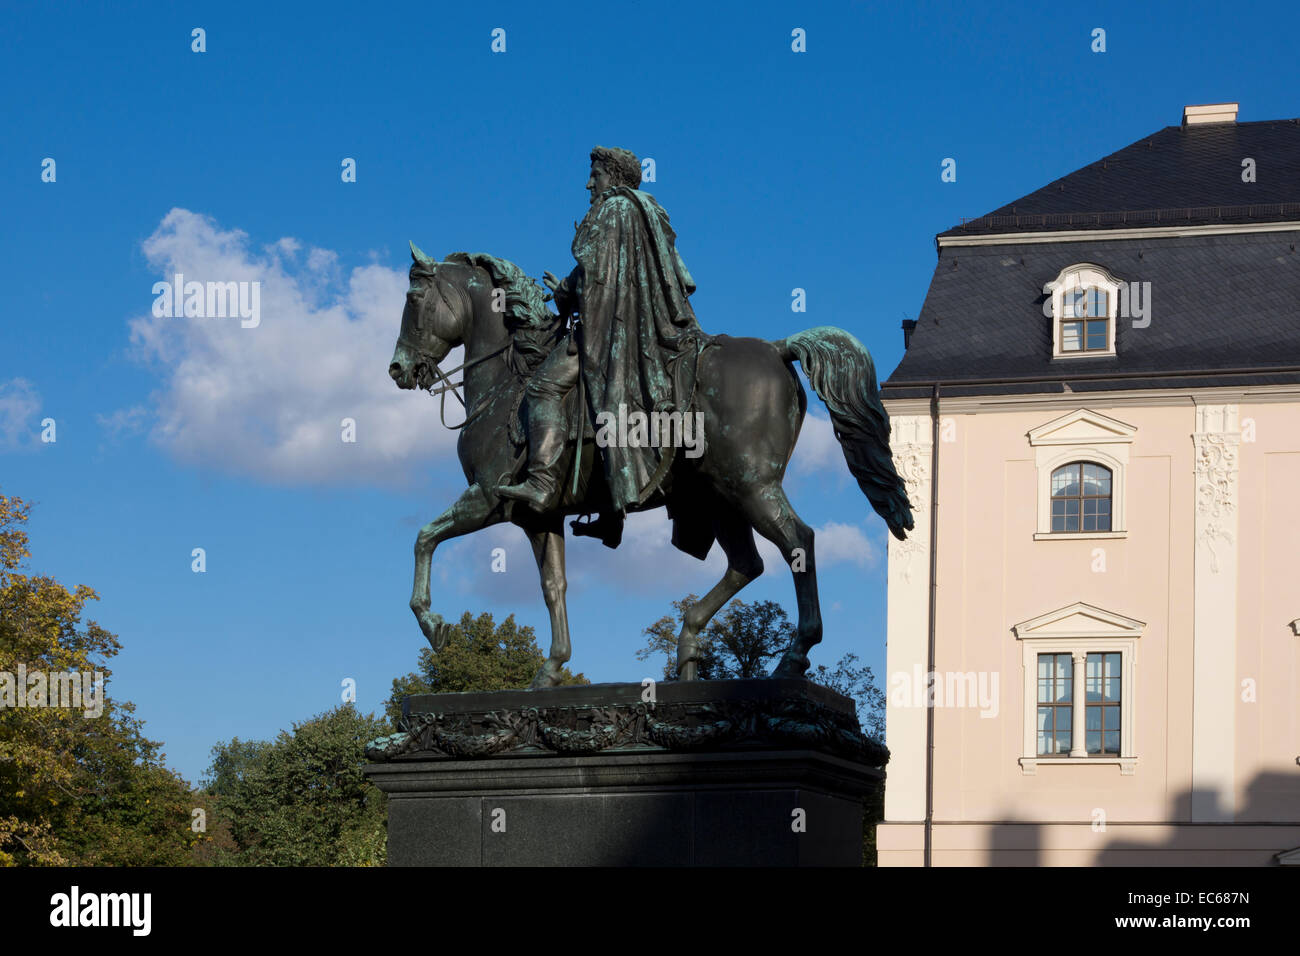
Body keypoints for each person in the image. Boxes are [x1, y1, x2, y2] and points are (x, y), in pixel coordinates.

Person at [498, 146, 702, 539]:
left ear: (613, 175)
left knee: (542, 387)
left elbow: (594, 272)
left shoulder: (611, 210)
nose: (589, 183)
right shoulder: (650, 211)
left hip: (612, 333)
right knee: (606, 408)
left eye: (595, 174)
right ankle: (610, 512)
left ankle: (541, 482)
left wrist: (564, 291)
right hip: (650, 330)